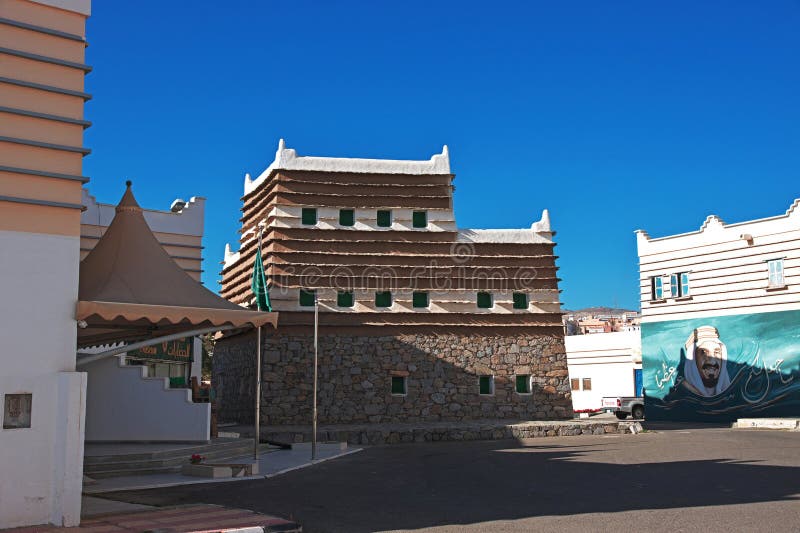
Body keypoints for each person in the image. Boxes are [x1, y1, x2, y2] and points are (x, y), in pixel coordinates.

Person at [681, 325, 731, 397]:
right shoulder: (681, 394)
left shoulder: (730, 395)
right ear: (693, 360)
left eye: (717, 352)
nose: (712, 361)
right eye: (703, 352)